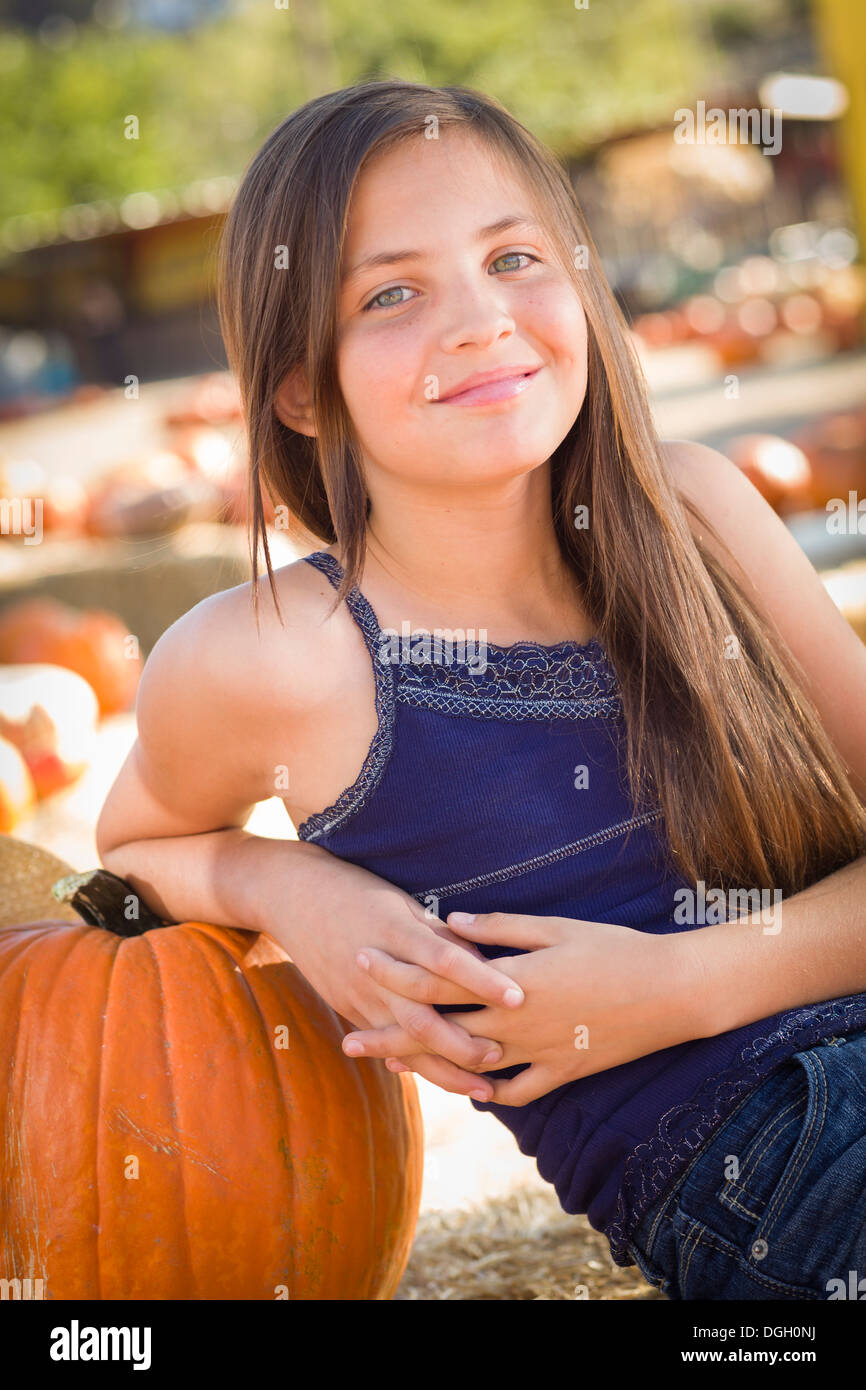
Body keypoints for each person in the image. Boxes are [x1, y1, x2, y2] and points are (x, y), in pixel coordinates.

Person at [96, 79, 866, 1300]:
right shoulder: (278, 656)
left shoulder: (695, 515)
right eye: (391, 292)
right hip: (772, 1162)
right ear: (302, 387)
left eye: (512, 257)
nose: (477, 320)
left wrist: (683, 983)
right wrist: (282, 880)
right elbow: (134, 846)